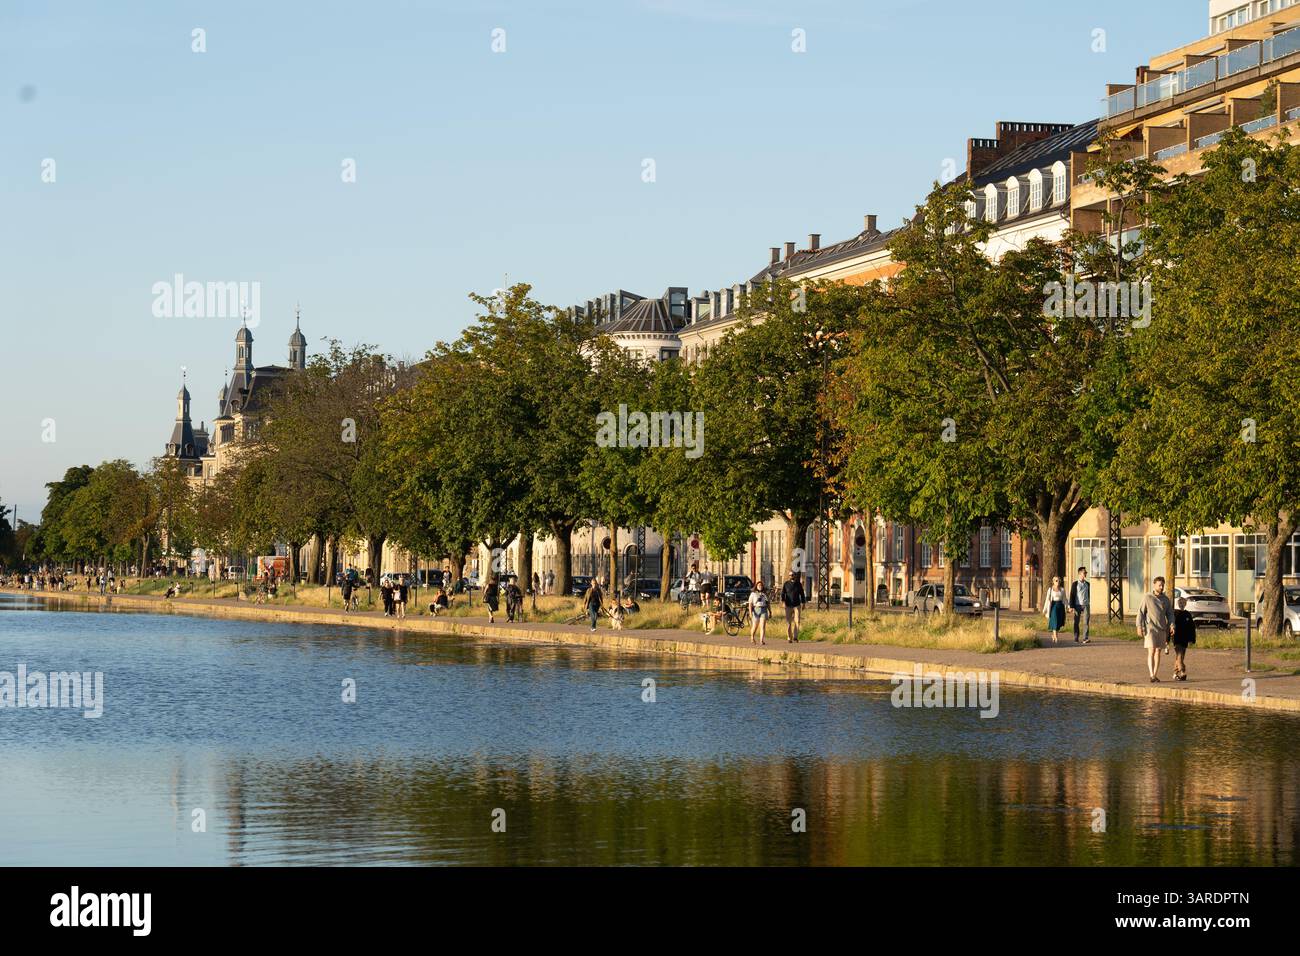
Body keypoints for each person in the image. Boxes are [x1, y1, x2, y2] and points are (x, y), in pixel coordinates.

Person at [1137, 576, 1175, 683]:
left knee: (1158, 651)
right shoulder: (1147, 597)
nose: (1161, 587)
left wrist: (1172, 625)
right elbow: (1141, 612)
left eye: (1163, 585)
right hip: (1150, 628)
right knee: (1152, 650)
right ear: (1154, 585)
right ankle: (1151, 674)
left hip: (1162, 628)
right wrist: (1139, 626)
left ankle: (1155, 674)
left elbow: (1170, 614)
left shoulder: (1166, 599)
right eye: (1159, 585)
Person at [1171, 595, 1196, 681]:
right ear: (1178, 604)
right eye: (1180, 602)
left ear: (1185, 604)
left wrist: (1192, 639)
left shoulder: (1187, 614)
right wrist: (1167, 639)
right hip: (1176, 638)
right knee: (1179, 655)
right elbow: (1170, 626)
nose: (1181, 604)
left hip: (1184, 639)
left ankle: (1175, 673)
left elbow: (1192, 628)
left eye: (1183, 603)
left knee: (1180, 657)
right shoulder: (1175, 613)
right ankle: (1182, 672)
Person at [781, 571, 806, 643]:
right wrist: (783, 602)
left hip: (797, 605)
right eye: (790, 575)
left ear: (795, 575)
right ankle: (789, 637)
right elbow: (783, 593)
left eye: (792, 575)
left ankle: (795, 637)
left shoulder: (798, 584)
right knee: (788, 623)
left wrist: (803, 603)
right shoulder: (786, 584)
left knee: (797, 621)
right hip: (788, 605)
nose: (791, 576)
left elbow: (802, 594)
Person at [1041, 575, 1066, 644]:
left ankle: (1054, 635)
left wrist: (1068, 606)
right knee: (1054, 620)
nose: (1057, 582)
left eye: (1058, 580)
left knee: (1058, 622)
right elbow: (1047, 600)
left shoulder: (1062, 589)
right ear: (1053, 582)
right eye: (1056, 580)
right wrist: (1044, 610)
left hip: (1060, 606)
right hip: (1054, 606)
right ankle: (1055, 636)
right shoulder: (1050, 589)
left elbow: (1065, 599)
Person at [1069, 566, 1091, 644]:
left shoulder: (1087, 584)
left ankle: (1085, 638)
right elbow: (1072, 595)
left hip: (1086, 605)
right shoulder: (1075, 584)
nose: (1085, 574)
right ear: (1080, 574)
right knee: (1076, 622)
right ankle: (1076, 637)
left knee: (1086, 622)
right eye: (1084, 572)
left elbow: (1089, 594)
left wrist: (1089, 603)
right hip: (1077, 605)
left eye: (1086, 573)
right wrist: (1071, 606)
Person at [748, 579, 771, 646]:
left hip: (763, 609)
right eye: (759, 585)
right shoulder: (753, 594)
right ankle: (752, 637)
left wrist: (770, 611)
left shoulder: (765, 594)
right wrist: (750, 613)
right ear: (756, 586)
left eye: (761, 585)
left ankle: (761, 640)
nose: (760, 586)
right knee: (755, 626)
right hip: (756, 609)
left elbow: (768, 603)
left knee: (762, 626)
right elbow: (750, 604)